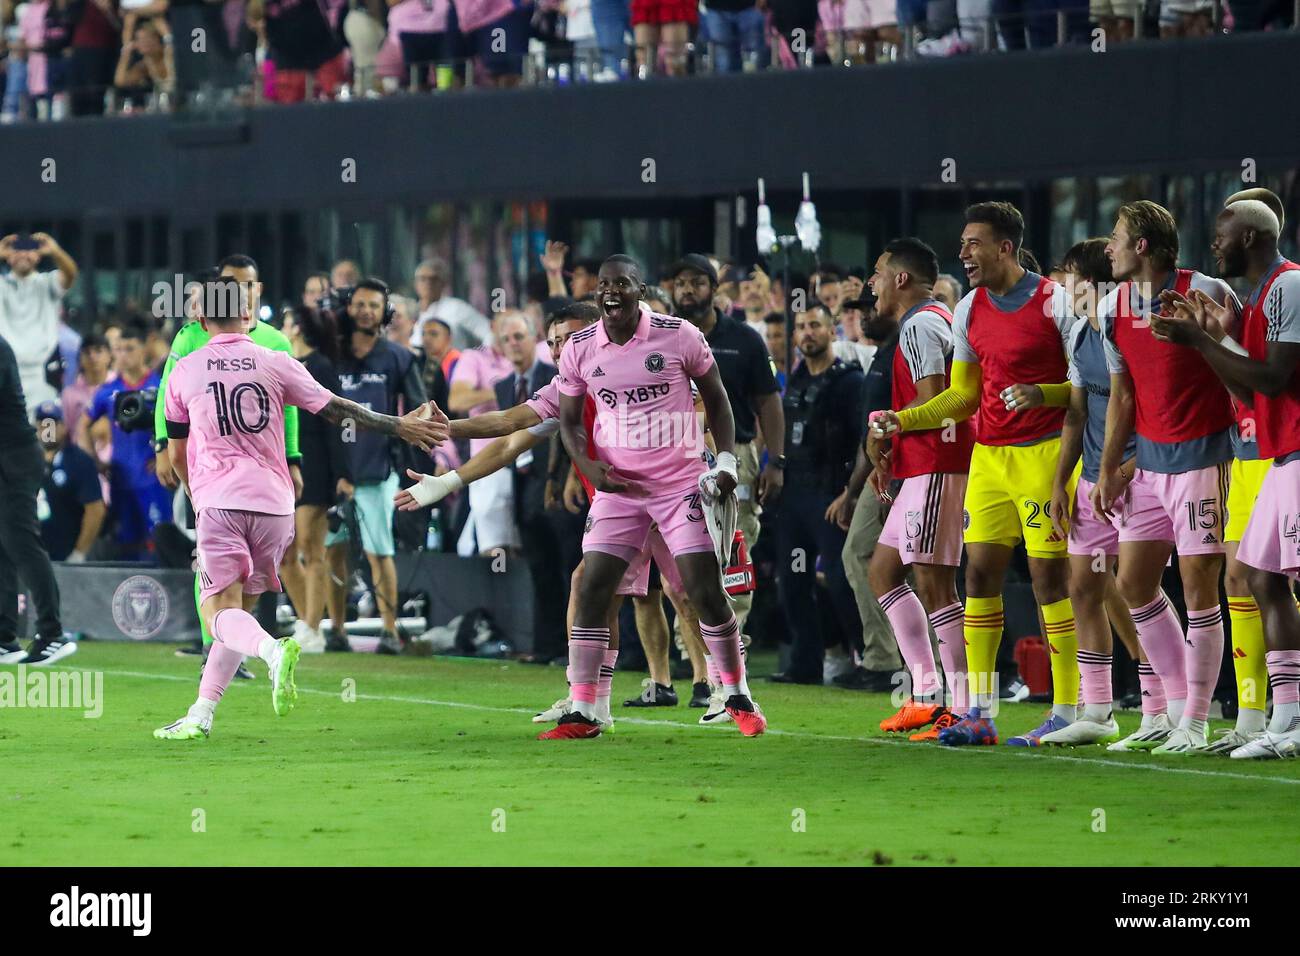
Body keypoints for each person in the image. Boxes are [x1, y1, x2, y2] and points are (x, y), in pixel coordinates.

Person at [153, 278, 447, 741]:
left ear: (201, 320)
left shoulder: (185, 370)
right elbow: (337, 409)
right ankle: (200, 714)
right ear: (249, 317)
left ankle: (272, 651)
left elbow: (175, 452)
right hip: (275, 505)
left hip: (219, 501)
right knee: (239, 615)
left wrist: (195, 492)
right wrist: (398, 426)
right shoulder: (276, 360)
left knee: (216, 615)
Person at [873, 201, 1080, 747]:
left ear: (1005, 247)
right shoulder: (967, 309)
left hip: (1045, 454)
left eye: (974, 243)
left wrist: (1042, 393)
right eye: (962, 243)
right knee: (979, 578)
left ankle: (1066, 708)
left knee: (1047, 582)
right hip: (989, 458)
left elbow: (1086, 388)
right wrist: (905, 419)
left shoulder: (1056, 301)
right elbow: (962, 396)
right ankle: (980, 712)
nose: (963, 253)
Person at [547, 254, 764, 739]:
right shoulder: (580, 348)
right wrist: (586, 466)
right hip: (619, 490)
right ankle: (584, 710)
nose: (611, 292)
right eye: (603, 285)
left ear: (639, 289)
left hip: (680, 483)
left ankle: (736, 692)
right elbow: (566, 422)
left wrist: (726, 461)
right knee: (592, 587)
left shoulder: (678, 334)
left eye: (621, 283)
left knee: (702, 589)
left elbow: (718, 398)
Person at [1149, 200, 1300, 759]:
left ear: (1254, 236)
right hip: (1279, 452)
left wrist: (1202, 341)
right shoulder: (1260, 299)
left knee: (1273, 579)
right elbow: (1252, 395)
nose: (1214, 244)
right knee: (1259, 577)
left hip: (1296, 453)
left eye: (1222, 234)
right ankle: (1281, 719)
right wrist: (1213, 339)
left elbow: (1276, 376)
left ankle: (1290, 718)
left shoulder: (1288, 286)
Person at [1093, 200, 1237, 754]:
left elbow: (1238, 368)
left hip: (1203, 459)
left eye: (1117, 235)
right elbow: (1123, 395)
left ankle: (1197, 722)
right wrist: (1110, 468)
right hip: (1147, 468)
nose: (1109, 245)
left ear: (1143, 247)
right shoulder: (1111, 308)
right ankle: (1172, 710)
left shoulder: (1207, 292)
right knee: (1132, 583)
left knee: (1201, 590)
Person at [1034, 240, 1159, 748]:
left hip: (1136, 475)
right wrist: (1059, 484)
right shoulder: (1082, 333)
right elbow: (1077, 413)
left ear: (1089, 282)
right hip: (1091, 477)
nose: (1059, 287)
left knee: (1137, 588)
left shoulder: (1129, 328)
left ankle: (1161, 706)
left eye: (1066, 277)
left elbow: (1151, 404)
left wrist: (1127, 466)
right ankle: (1100, 709)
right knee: (1083, 586)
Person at [153, 254, 303, 665]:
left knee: (228, 572)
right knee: (224, 568)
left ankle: (247, 646)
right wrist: (162, 446)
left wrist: (293, 456)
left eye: (247, 284)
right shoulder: (189, 338)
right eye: (232, 284)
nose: (242, 292)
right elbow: (166, 393)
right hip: (215, 473)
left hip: (233, 481)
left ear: (258, 290)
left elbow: (288, 410)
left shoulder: (275, 342)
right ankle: (218, 652)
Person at [860, 238, 974, 740]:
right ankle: (926, 696)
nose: (872, 284)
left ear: (901, 279)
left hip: (938, 465)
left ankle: (966, 705)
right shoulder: (928, 321)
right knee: (883, 572)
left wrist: (890, 424)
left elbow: (939, 402)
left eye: (879, 273)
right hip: (921, 464)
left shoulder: (922, 324)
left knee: (936, 584)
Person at [670, 254, 784, 658]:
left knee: (735, 546)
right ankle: (691, 651)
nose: (688, 290)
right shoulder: (662, 337)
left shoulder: (744, 339)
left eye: (697, 282)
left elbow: (769, 402)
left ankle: (735, 643)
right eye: (680, 282)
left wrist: (777, 460)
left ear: (714, 288)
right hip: (678, 451)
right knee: (684, 549)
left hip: (734, 451)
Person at [327, 277, 427, 654]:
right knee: (331, 551)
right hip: (334, 470)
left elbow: (420, 406)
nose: (366, 311)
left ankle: (389, 631)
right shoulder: (330, 357)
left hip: (377, 468)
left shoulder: (399, 357)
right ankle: (335, 629)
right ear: (347, 309)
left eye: (374, 305)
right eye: (359, 304)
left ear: (384, 312)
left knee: (379, 550)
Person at [769, 304, 868, 685]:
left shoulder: (848, 382)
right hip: (795, 500)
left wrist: (850, 493)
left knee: (842, 581)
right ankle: (805, 662)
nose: (807, 332)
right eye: (802, 327)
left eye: (816, 325)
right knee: (793, 580)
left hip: (830, 497)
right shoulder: (795, 381)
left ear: (832, 333)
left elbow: (864, 439)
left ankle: (866, 659)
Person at [0, 333, 76, 666]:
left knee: (22, 543)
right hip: (7, 458)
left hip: (15, 458)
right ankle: (4, 639)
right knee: (4, 546)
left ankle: (52, 634)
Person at [282, 306, 351, 654]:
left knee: (312, 546)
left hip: (316, 465)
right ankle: (304, 621)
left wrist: (342, 473)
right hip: (285, 463)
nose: (282, 325)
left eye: (286, 319)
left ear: (298, 328)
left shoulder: (322, 367)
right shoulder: (283, 362)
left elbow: (335, 421)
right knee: (284, 552)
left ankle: (314, 628)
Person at [82, 319, 170, 561]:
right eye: (118, 349)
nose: (122, 355)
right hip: (121, 481)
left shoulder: (161, 386)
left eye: (129, 349)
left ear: (144, 349)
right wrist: (96, 464)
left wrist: (166, 455)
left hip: (154, 481)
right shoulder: (108, 391)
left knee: (159, 544)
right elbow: (82, 426)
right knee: (124, 548)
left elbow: (184, 424)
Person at [447, 310, 517, 555]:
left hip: (526, 459)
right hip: (490, 462)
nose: (511, 336)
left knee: (523, 540)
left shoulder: (529, 356)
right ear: (492, 325)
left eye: (517, 331)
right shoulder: (474, 358)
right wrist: (503, 391)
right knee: (494, 543)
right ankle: (496, 593)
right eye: (504, 326)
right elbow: (457, 400)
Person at [0, 231, 78, 414]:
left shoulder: (47, 282)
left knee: (47, 437)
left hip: (43, 376)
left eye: (29, 250)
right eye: (17, 250)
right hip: (6, 373)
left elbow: (71, 274)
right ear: (8, 256)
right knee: (8, 437)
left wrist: (55, 251)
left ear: (38, 256)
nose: (23, 255)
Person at [34, 400, 105, 563]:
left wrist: (79, 553)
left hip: (67, 554)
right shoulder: (23, 461)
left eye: (52, 424)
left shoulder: (79, 461)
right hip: (31, 556)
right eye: (43, 424)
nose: (47, 429)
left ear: (64, 427)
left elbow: (95, 510)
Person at [410, 257, 492, 350]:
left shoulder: (455, 307)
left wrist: (481, 360)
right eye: (423, 279)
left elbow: (489, 332)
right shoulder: (410, 310)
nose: (428, 283)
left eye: (434, 279)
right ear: (415, 283)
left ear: (443, 283)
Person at [61, 333, 112, 446]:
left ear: (109, 356)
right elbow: (68, 431)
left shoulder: (120, 387)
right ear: (80, 359)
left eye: (98, 351)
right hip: (81, 456)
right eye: (87, 352)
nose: (92, 357)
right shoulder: (69, 394)